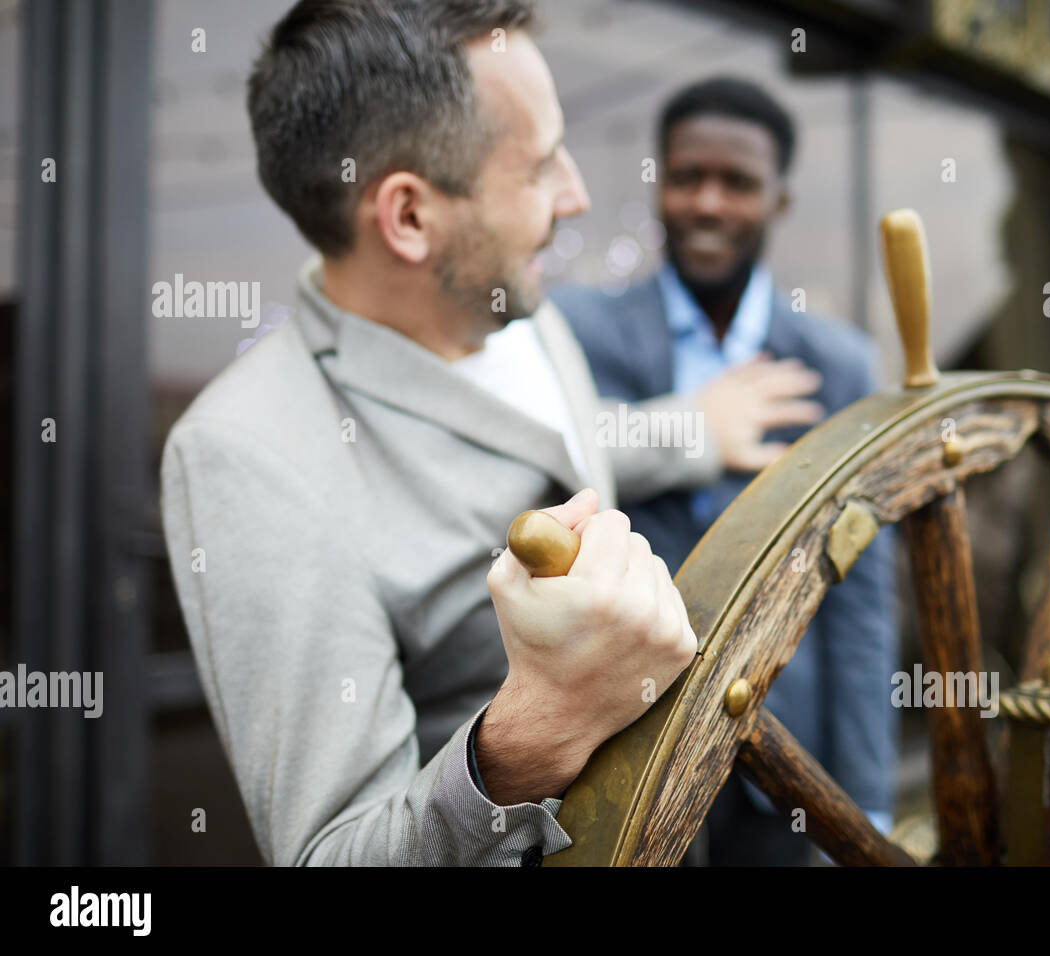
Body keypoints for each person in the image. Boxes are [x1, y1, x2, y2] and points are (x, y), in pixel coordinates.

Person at [160, 1, 821, 866]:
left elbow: (546, 449)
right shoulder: (246, 456)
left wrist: (691, 429)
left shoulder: (509, 309)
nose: (578, 194)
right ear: (408, 218)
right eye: (541, 165)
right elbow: (331, 854)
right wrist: (530, 738)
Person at [550, 76, 899, 865]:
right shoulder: (577, 331)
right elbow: (545, 477)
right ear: (660, 184)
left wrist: (866, 798)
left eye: (737, 182)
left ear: (778, 200)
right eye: (686, 177)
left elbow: (862, 600)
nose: (708, 202)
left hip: (783, 764)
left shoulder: (839, 366)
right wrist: (691, 423)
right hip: (615, 748)